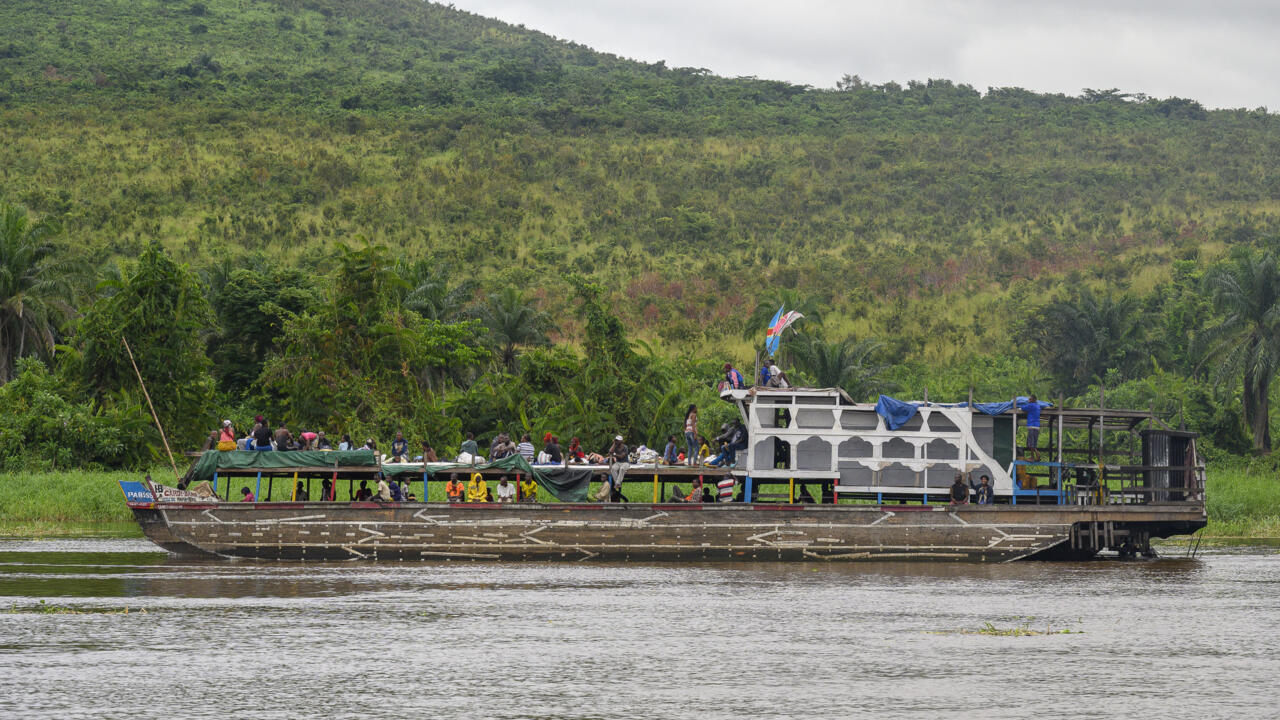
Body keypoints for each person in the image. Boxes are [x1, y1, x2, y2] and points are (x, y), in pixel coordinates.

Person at [1018, 395, 1053, 461]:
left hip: (1031, 426)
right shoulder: (1038, 406)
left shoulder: (1031, 405)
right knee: (1033, 443)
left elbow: (1022, 408)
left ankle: (1033, 456)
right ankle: (1036, 455)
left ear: (1034, 400)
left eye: (1030, 399)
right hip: (1036, 427)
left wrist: (1020, 408)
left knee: (1030, 443)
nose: (1029, 400)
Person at [598, 435, 629, 502]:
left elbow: (621, 456)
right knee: (613, 469)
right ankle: (618, 484)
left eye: (617, 440)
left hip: (625, 462)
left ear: (621, 441)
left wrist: (614, 454)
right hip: (618, 463)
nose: (616, 441)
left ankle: (617, 483)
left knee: (622, 469)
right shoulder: (615, 446)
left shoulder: (625, 447)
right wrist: (614, 444)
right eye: (616, 440)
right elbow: (610, 452)